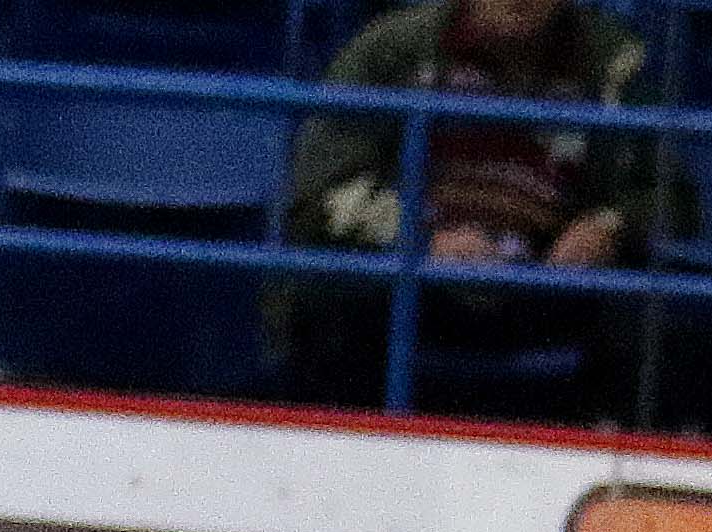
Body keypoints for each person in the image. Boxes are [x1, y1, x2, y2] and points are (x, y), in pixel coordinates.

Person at [275, 0, 667, 419]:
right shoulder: (394, 48)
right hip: (417, 275)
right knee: (323, 303)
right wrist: (421, 240)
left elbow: (664, 194)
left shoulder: (616, 61)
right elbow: (322, 188)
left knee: (653, 324)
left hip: (552, 286)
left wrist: (606, 228)